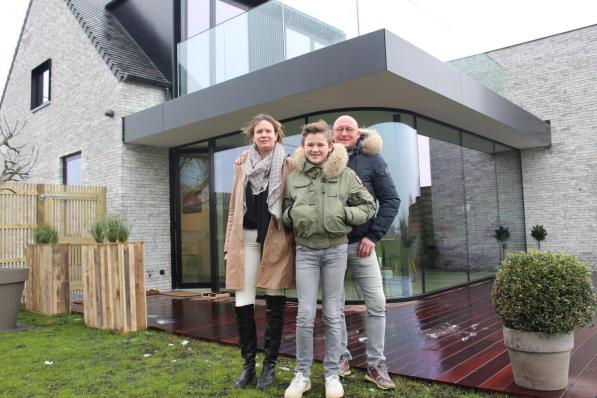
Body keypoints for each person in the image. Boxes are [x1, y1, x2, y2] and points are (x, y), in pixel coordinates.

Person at [282, 120, 377, 398]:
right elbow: (285, 209)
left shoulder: (346, 175)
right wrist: (292, 217)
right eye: (309, 145)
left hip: (336, 251)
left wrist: (345, 216)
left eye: (319, 144)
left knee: (333, 314)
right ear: (303, 147)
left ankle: (332, 374)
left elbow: (369, 205)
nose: (314, 149)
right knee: (305, 314)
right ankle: (302, 375)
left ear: (329, 146)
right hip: (306, 252)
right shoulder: (295, 177)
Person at [224, 114, 295, 389]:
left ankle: (269, 366)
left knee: (275, 301)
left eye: (269, 131)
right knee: (243, 301)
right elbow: (233, 208)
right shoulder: (242, 165)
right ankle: (248, 365)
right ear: (252, 136)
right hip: (247, 241)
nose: (264, 135)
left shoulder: (288, 164)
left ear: (277, 134)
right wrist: (228, 246)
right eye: (259, 132)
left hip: (276, 242)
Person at [332, 115, 400, 390]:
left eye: (349, 128)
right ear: (333, 134)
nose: (345, 132)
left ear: (357, 132)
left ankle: (375, 364)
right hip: (332, 246)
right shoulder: (323, 157)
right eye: (340, 129)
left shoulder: (373, 159)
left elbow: (392, 199)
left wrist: (374, 235)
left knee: (376, 303)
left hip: (362, 246)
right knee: (334, 307)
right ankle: (340, 358)